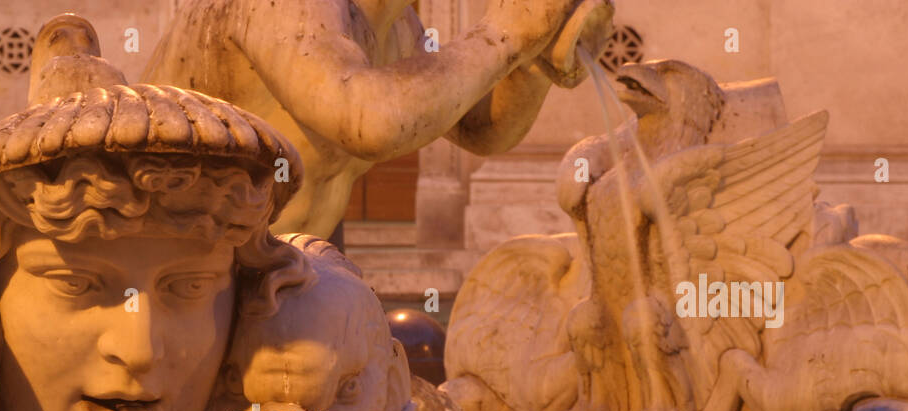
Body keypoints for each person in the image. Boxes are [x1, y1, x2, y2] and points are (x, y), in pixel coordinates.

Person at [142, 0, 614, 238]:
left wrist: (530, 60)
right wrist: (504, 35)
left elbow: (479, 129)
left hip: (279, 273)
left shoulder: (398, 25)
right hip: (166, 272)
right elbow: (370, 122)